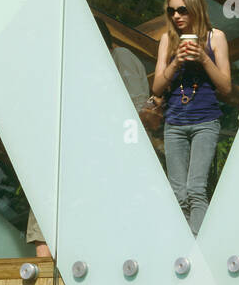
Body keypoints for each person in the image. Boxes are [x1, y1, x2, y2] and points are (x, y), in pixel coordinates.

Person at [27, 24, 152, 258]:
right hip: (71, 153)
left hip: (100, 156)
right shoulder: (70, 68)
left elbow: (138, 110)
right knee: (47, 220)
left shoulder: (119, 58)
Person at [152, 0, 231, 235]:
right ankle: (181, 247)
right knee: (178, 193)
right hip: (174, 122)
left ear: (195, 8)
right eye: (172, 11)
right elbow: (156, 87)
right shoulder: (167, 39)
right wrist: (175, 63)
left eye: (182, 10)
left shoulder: (215, 37)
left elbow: (226, 87)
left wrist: (204, 58)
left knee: (196, 189)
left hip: (205, 120)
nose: (176, 16)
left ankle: (199, 249)